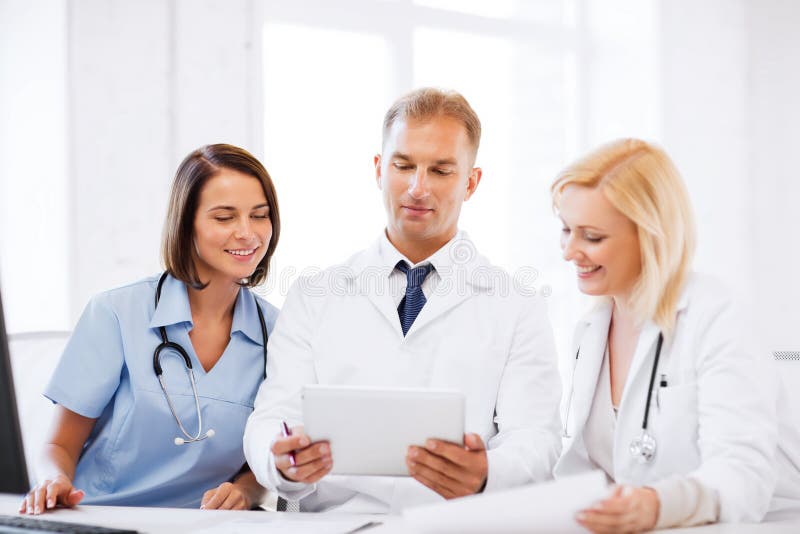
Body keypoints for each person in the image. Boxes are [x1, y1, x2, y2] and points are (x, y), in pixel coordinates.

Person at [243, 87, 562, 513]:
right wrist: (280, 462)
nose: (417, 187)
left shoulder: (516, 304)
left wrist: (488, 473)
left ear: (471, 182)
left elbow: (537, 436)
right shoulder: (315, 295)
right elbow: (271, 417)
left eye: (441, 170)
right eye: (403, 165)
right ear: (379, 169)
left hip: (456, 523)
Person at [552, 138, 799, 531]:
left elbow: (742, 475)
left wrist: (654, 505)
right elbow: (587, 471)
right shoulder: (589, 331)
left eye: (592, 236)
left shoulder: (717, 318)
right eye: (566, 230)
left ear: (650, 235)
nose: (569, 251)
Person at [20, 144, 281, 514]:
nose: (247, 233)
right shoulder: (115, 313)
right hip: (100, 516)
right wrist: (54, 481)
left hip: (207, 526)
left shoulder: (279, 334)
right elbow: (58, 447)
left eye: (260, 215)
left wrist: (247, 490)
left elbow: (270, 453)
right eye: (224, 218)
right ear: (185, 222)